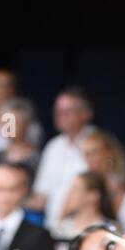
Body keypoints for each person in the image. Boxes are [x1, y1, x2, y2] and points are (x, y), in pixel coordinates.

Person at [31, 86, 95, 236]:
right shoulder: (53, 146)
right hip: (54, 230)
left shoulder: (100, 144)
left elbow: (113, 190)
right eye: (58, 111)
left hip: (87, 231)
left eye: (67, 111)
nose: (61, 116)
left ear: (86, 114)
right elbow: (41, 197)